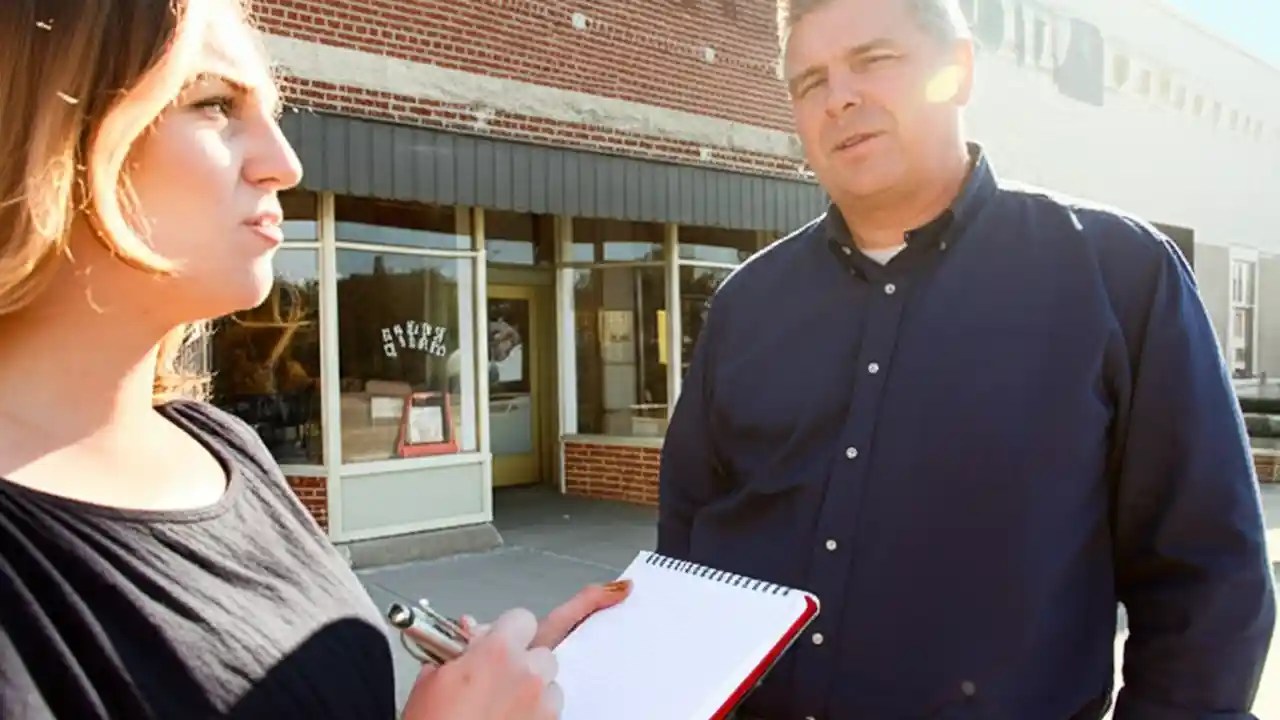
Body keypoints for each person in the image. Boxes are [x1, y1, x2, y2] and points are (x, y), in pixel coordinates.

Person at [0, 1, 629, 718]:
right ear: (40, 131)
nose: (284, 163)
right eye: (213, 104)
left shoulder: (223, 448)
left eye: (270, 111)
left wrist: (497, 687)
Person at [658, 0, 1276, 718]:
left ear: (958, 70)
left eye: (873, 60)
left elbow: (1208, 583)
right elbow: (688, 553)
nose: (840, 98)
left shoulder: (1119, 277)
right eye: (809, 82)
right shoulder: (746, 305)